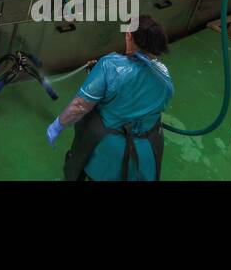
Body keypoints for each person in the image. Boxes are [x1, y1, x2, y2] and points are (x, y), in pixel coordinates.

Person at [46, 16, 174, 181]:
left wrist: (58, 125)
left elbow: (79, 106)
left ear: (129, 36)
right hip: (146, 151)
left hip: (108, 151)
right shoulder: (164, 74)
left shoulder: (109, 66)